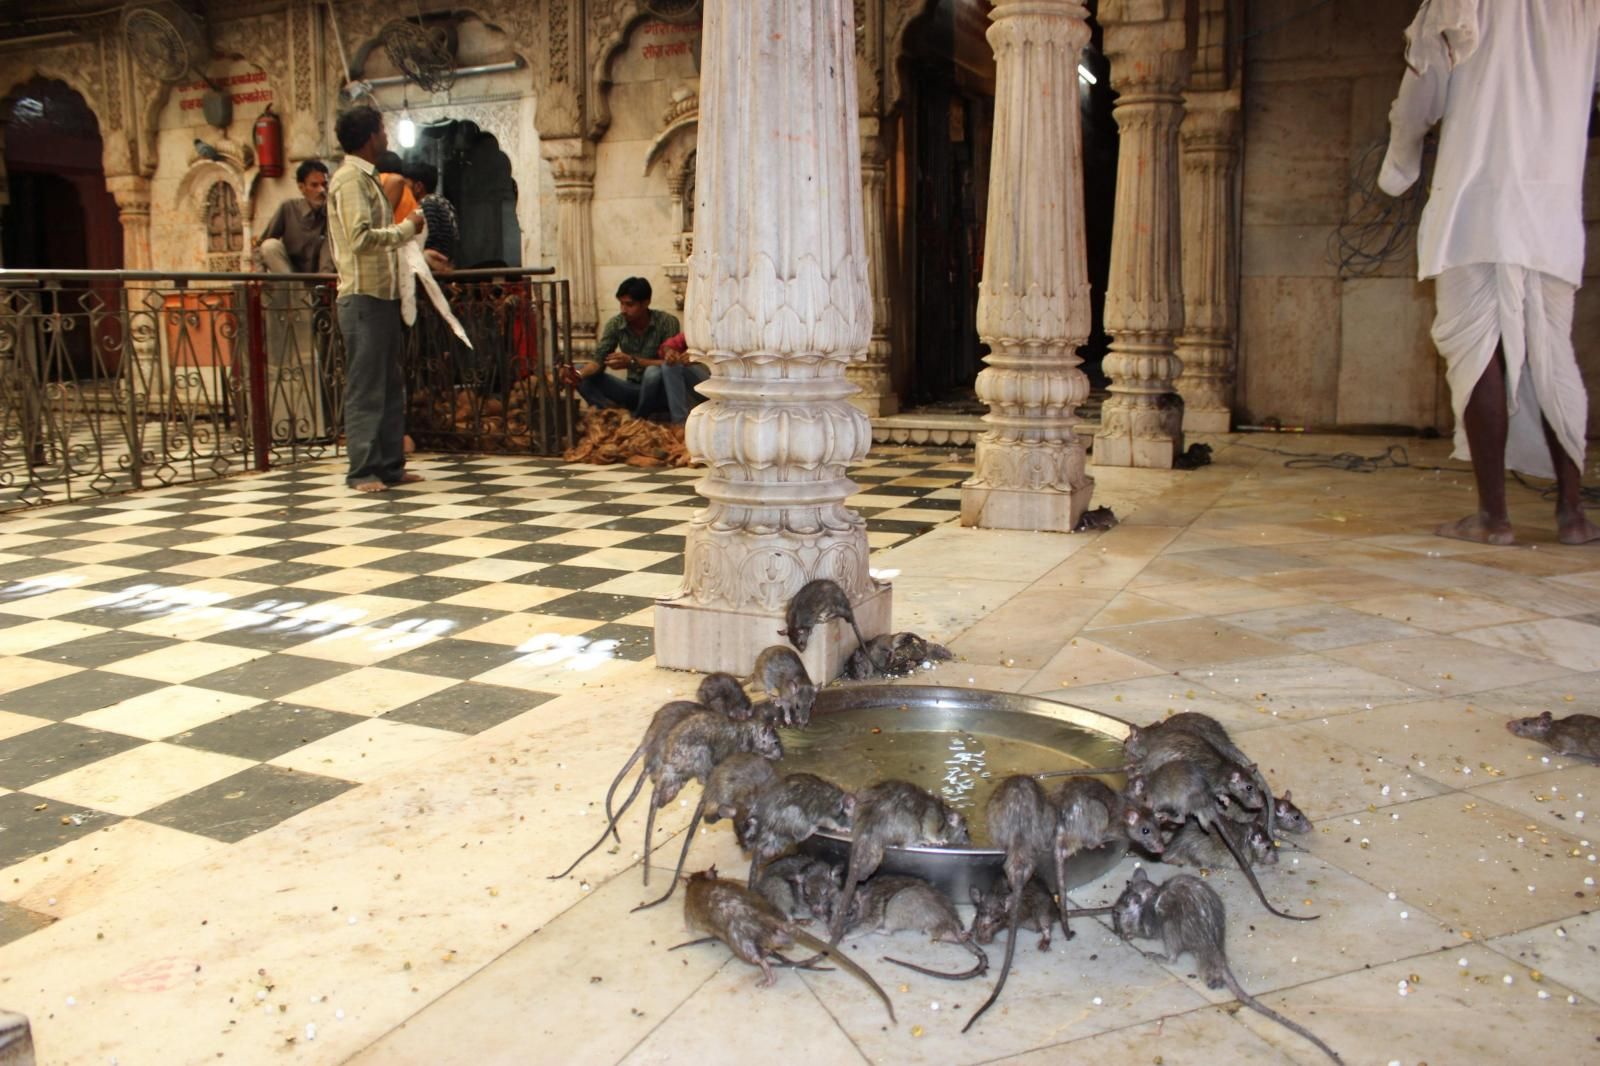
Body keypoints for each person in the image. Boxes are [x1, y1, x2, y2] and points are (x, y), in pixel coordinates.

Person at [1379, 0, 1600, 546]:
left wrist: (1399, 164)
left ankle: (1493, 518)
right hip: (1550, 208)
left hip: (1475, 202)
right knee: (1554, 354)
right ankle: (1573, 516)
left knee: (1477, 351)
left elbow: (1420, 92)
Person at [326, 105, 425, 493]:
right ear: (370, 136)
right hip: (362, 296)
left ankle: (388, 464)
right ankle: (362, 470)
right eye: (382, 130)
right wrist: (405, 229)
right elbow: (359, 238)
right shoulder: (351, 180)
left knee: (388, 383)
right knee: (367, 384)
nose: (386, 137)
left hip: (380, 295)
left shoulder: (366, 178)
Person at [572, 277, 706, 423]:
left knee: (653, 373)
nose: (623, 310)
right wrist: (578, 374)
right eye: (621, 304)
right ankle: (612, 415)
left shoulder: (667, 322)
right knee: (580, 371)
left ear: (646, 303)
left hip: (661, 392)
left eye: (629, 304)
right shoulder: (616, 324)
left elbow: (672, 364)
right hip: (632, 388)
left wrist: (632, 361)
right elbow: (598, 361)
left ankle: (638, 418)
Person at [255, 159, 333, 274]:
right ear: (302, 187)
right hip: (290, 277)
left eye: (324, 184)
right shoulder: (288, 208)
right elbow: (262, 245)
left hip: (320, 278)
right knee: (269, 246)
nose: (321, 190)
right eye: (314, 185)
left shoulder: (332, 213)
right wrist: (259, 275)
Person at [402, 160, 459, 272]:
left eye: (405, 185)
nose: (403, 190)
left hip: (432, 268)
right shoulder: (441, 202)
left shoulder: (427, 205)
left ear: (418, 187)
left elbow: (432, 241)